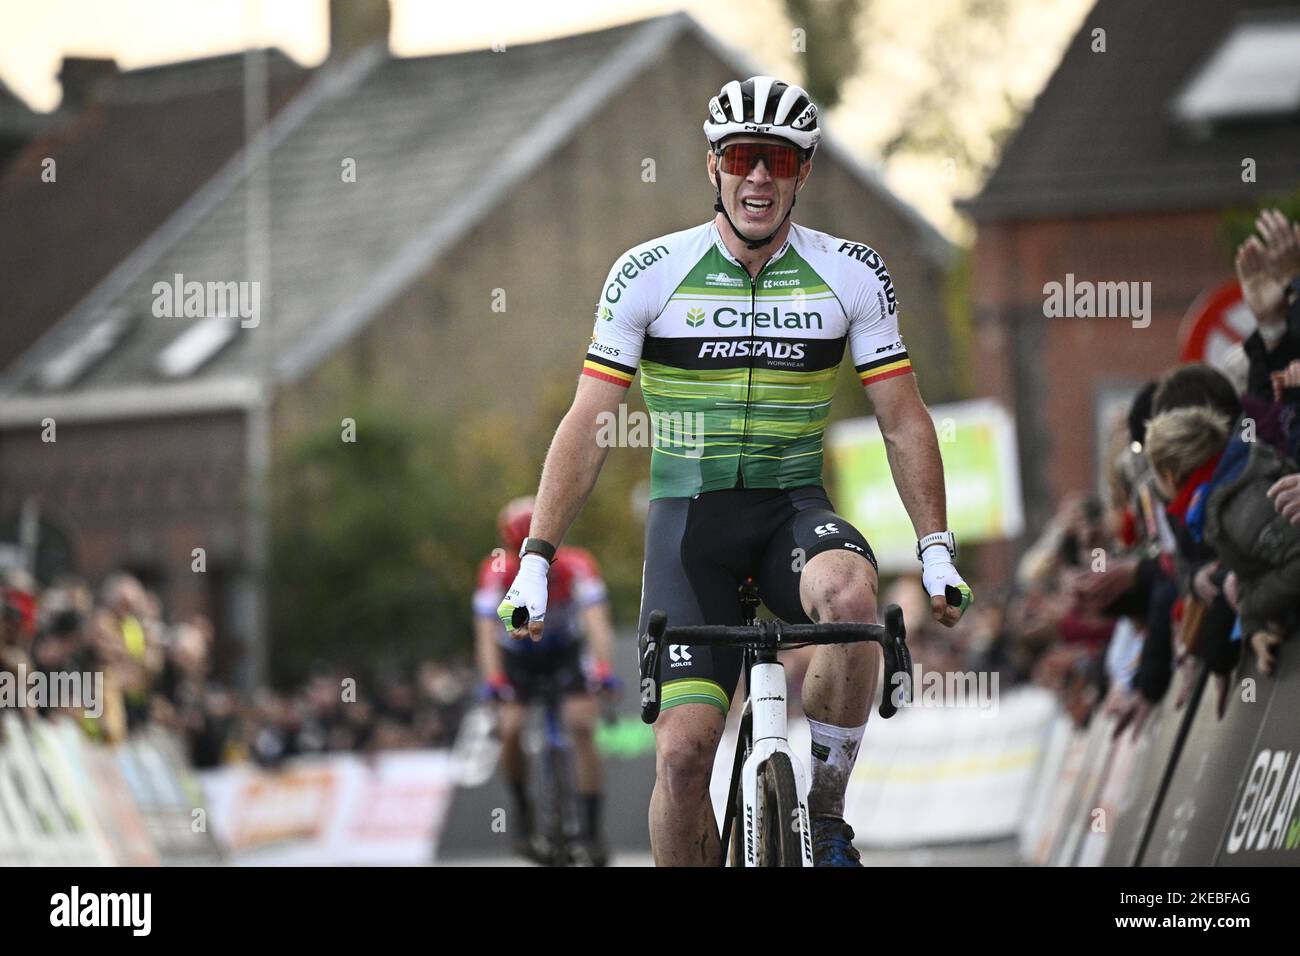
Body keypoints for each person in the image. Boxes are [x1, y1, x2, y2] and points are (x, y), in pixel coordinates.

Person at [495, 76, 972, 866]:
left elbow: (902, 417)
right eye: (743, 157)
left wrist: (936, 550)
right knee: (683, 757)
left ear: (803, 174)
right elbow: (589, 421)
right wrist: (536, 560)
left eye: (778, 161)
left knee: (851, 598)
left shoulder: (852, 274)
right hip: (690, 525)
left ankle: (823, 816)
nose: (759, 176)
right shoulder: (648, 272)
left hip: (792, 510)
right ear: (712, 166)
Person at [474, 496, 616, 865]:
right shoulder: (495, 570)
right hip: (518, 657)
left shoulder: (578, 564)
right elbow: (485, 633)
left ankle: (591, 831)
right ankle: (523, 813)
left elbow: (597, 622)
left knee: (582, 725)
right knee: (510, 728)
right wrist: (493, 680)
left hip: (563, 651)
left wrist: (603, 669)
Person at [1145, 405, 1300, 678]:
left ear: (1169, 476)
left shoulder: (1242, 506)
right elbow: (1255, 571)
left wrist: (1250, 606)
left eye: (1154, 474)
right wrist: (1253, 624)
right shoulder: (1219, 497)